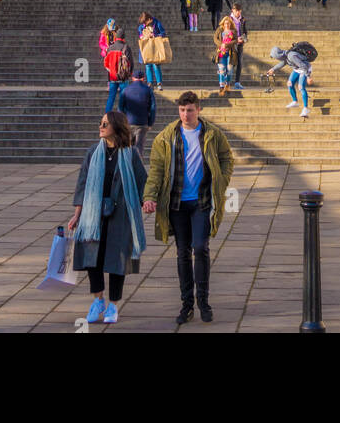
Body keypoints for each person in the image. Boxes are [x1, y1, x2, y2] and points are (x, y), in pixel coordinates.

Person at [142, 91, 234, 325]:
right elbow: (156, 170)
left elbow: (226, 158)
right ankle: (186, 304)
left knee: (201, 247)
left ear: (198, 110)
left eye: (190, 110)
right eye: (182, 110)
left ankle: (203, 301)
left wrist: (222, 180)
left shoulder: (212, 134)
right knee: (183, 252)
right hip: (176, 204)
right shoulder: (166, 137)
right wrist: (150, 196)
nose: (186, 114)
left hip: (201, 201)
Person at [69, 110, 147, 326]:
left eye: (105, 123)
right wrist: (77, 214)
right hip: (93, 214)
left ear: (117, 127)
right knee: (92, 258)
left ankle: (113, 305)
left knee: (117, 260)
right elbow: (83, 183)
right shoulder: (93, 152)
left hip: (121, 213)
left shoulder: (130, 154)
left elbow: (142, 181)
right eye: (100, 122)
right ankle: (98, 301)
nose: (101, 127)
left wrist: (146, 202)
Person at [267, 45, 313, 118]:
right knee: (289, 83)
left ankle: (305, 109)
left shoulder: (291, 56)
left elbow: (304, 66)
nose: (276, 59)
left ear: (278, 56)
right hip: (297, 69)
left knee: (301, 87)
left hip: (305, 69)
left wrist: (308, 77)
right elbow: (283, 63)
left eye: (276, 58)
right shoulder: (285, 56)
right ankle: (295, 101)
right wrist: (273, 69)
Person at [118, 71, 157, 156]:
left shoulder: (125, 90)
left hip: (128, 123)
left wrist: (121, 123)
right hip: (142, 123)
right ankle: (138, 167)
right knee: (139, 148)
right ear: (143, 78)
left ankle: (128, 168)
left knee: (127, 148)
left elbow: (120, 108)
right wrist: (150, 123)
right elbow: (153, 108)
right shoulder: (148, 90)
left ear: (132, 78)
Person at [103, 27, 134, 113]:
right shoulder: (126, 48)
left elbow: (105, 63)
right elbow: (131, 63)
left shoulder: (110, 48)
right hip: (123, 77)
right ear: (124, 37)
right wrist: (130, 74)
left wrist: (111, 71)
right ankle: (120, 116)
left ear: (116, 37)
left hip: (112, 77)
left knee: (111, 98)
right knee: (123, 98)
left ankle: (107, 116)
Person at [137, 12, 168, 91]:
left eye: (145, 22)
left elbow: (163, 33)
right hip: (147, 47)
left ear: (149, 19)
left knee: (156, 66)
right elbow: (140, 35)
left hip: (155, 47)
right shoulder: (142, 26)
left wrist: (155, 35)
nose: (144, 24)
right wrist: (144, 36)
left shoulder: (157, 23)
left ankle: (159, 83)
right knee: (148, 66)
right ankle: (149, 82)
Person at [213, 16, 238, 96]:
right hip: (221, 53)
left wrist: (227, 45)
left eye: (228, 23)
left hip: (230, 53)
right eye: (225, 23)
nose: (227, 25)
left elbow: (235, 40)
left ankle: (227, 84)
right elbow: (215, 38)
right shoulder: (220, 30)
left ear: (231, 24)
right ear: (223, 23)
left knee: (229, 70)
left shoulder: (233, 31)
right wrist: (221, 45)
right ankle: (221, 87)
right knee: (221, 70)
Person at [229, 2, 248, 88]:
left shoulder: (242, 19)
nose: (238, 13)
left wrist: (244, 38)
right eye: (237, 11)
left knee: (240, 62)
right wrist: (235, 40)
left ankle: (237, 82)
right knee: (231, 64)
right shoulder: (229, 19)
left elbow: (244, 30)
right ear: (232, 10)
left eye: (239, 11)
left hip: (240, 44)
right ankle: (227, 82)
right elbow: (227, 32)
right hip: (231, 44)